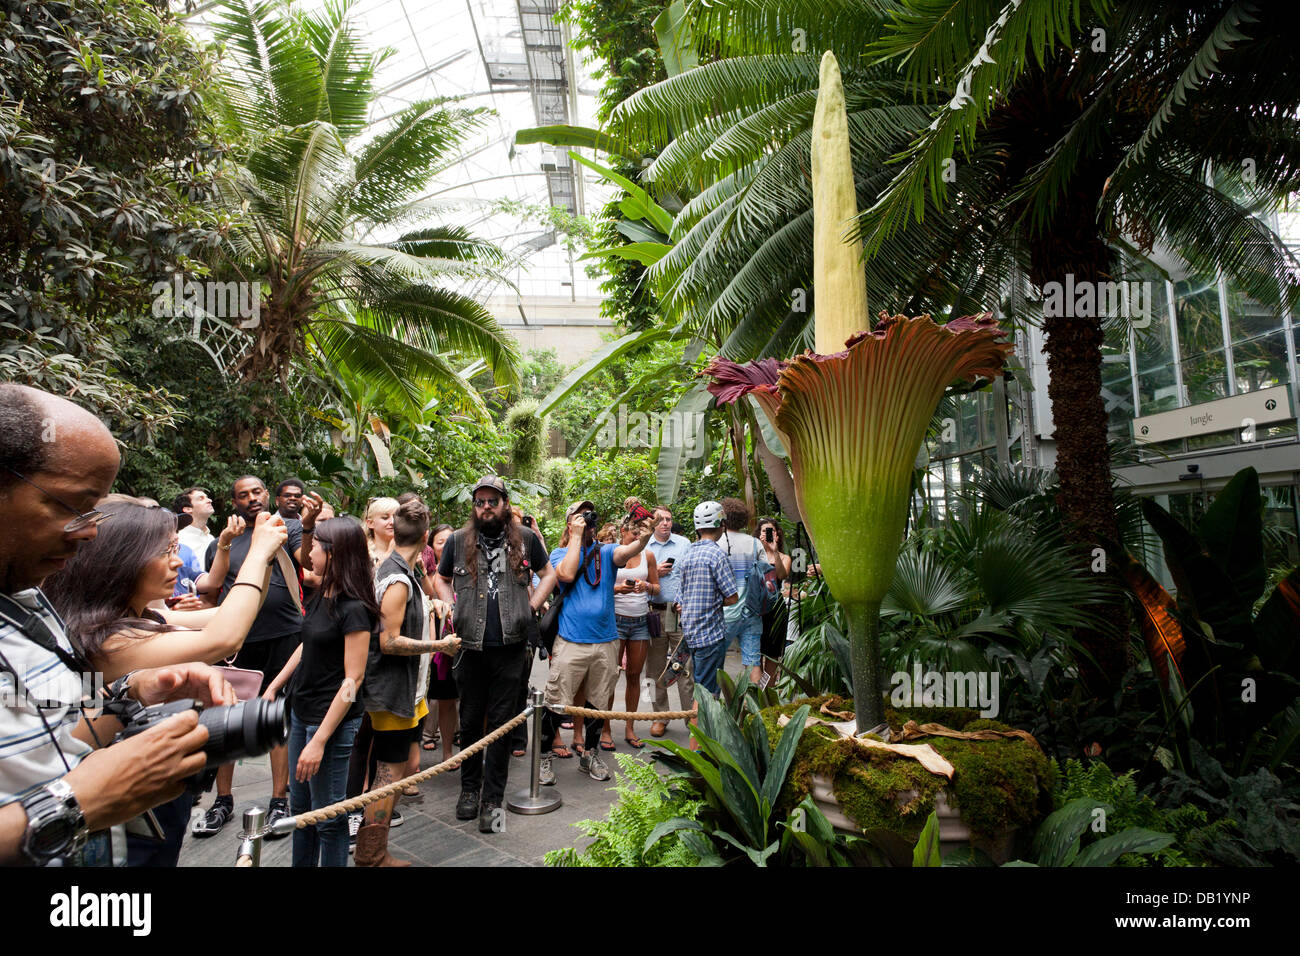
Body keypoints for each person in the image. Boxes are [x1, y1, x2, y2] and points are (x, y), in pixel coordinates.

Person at [0, 383, 236, 866]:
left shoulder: (24, 599)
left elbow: (40, 715)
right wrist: (76, 803)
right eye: (71, 505)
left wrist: (132, 693)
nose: (89, 532)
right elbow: (223, 636)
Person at [44, 499, 288, 865]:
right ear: (120, 561)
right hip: (125, 812)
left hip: (157, 791)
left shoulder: (144, 616)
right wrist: (256, 550)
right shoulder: (108, 639)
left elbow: (230, 613)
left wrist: (266, 557)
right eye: (165, 551)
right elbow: (223, 638)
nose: (177, 561)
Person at [191, 475, 322, 838]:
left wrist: (308, 526)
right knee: (225, 718)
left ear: (267, 495)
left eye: (256, 492)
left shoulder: (287, 528)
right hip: (236, 643)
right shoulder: (227, 540)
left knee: (278, 717)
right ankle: (223, 800)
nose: (251, 499)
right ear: (233, 501)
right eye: (242, 495)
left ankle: (280, 800)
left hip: (283, 636)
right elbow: (214, 589)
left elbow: (307, 562)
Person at [434, 476, 554, 832]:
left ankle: (492, 800)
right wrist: (448, 605)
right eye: (479, 502)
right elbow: (441, 579)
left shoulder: (526, 539)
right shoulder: (457, 541)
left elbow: (548, 574)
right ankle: (469, 791)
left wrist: (531, 605)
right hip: (468, 647)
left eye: (492, 501)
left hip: (511, 646)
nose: (485, 507)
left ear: (504, 504)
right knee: (470, 723)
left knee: (502, 726)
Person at [262, 517, 375, 867]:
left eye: (316, 546)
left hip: (330, 722)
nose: (309, 551)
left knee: (328, 817)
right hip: (301, 712)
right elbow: (305, 646)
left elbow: (352, 681)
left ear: (335, 553)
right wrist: (276, 685)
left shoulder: (354, 608)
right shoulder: (320, 593)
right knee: (301, 812)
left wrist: (320, 739)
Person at [361, 496, 460, 865]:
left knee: (408, 765)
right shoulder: (398, 578)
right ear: (424, 538)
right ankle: (371, 857)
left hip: (411, 691)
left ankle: (376, 848)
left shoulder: (401, 568)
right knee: (387, 775)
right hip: (392, 693)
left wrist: (431, 605)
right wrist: (440, 645)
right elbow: (388, 641)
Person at [538, 500, 652, 786]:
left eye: (589, 518)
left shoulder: (607, 552)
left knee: (598, 705)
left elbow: (630, 550)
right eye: (580, 517)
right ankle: (543, 758)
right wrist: (576, 536)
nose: (587, 522)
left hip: (606, 643)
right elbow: (564, 575)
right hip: (571, 641)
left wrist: (646, 537)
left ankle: (590, 754)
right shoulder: (559, 554)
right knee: (556, 702)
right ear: (569, 524)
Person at [674, 501, 739, 709]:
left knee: (699, 685)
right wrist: (713, 602)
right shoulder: (717, 555)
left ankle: (698, 738)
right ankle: (698, 741)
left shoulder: (688, 554)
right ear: (721, 525)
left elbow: (680, 599)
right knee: (707, 693)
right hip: (710, 634)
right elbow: (732, 597)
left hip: (691, 634)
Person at [717, 497, 787, 684]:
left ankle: (719, 709)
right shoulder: (754, 544)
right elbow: (767, 576)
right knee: (753, 662)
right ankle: (756, 708)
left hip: (725, 614)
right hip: (751, 614)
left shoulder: (717, 543)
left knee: (716, 663)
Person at [608, 515, 659, 749]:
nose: (639, 539)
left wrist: (645, 586)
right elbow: (602, 586)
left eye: (641, 535)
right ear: (622, 531)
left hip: (639, 621)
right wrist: (619, 589)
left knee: (634, 676)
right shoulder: (613, 552)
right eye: (634, 534)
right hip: (615, 620)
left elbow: (656, 588)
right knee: (611, 676)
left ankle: (630, 727)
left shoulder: (648, 555)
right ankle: (605, 727)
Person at [645, 505, 693, 737]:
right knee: (653, 669)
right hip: (652, 613)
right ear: (652, 523)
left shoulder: (684, 544)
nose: (665, 522)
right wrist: (653, 572)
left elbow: (694, 574)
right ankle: (658, 716)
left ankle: (689, 718)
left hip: (679, 613)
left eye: (669, 519)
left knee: (685, 666)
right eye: (661, 519)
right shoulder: (643, 545)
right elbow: (630, 575)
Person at [421, 524, 458, 760]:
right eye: (440, 541)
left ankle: (448, 753)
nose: (446, 545)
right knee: (433, 699)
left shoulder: (466, 570)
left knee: (452, 701)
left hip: (459, 645)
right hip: (434, 646)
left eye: (450, 540)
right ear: (431, 546)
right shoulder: (428, 576)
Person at [753, 517, 793, 686]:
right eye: (764, 531)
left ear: (777, 535)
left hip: (775, 611)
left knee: (772, 657)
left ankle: (767, 696)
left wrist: (774, 551)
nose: (768, 534)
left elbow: (781, 575)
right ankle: (757, 695)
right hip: (756, 610)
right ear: (758, 534)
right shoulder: (753, 554)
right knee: (755, 658)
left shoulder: (784, 557)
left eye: (771, 531)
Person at [174, 487, 215, 570]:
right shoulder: (177, 539)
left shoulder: (211, 539)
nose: (209, 500)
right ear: (188, 509)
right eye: (201, 499)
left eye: (207, 497)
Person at [365, 496, 398, 567]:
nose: (392, 522)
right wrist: (388, 555)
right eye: (385, 518)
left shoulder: (406, 550)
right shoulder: (363, 553)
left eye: (396, 517)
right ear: (370, 523)